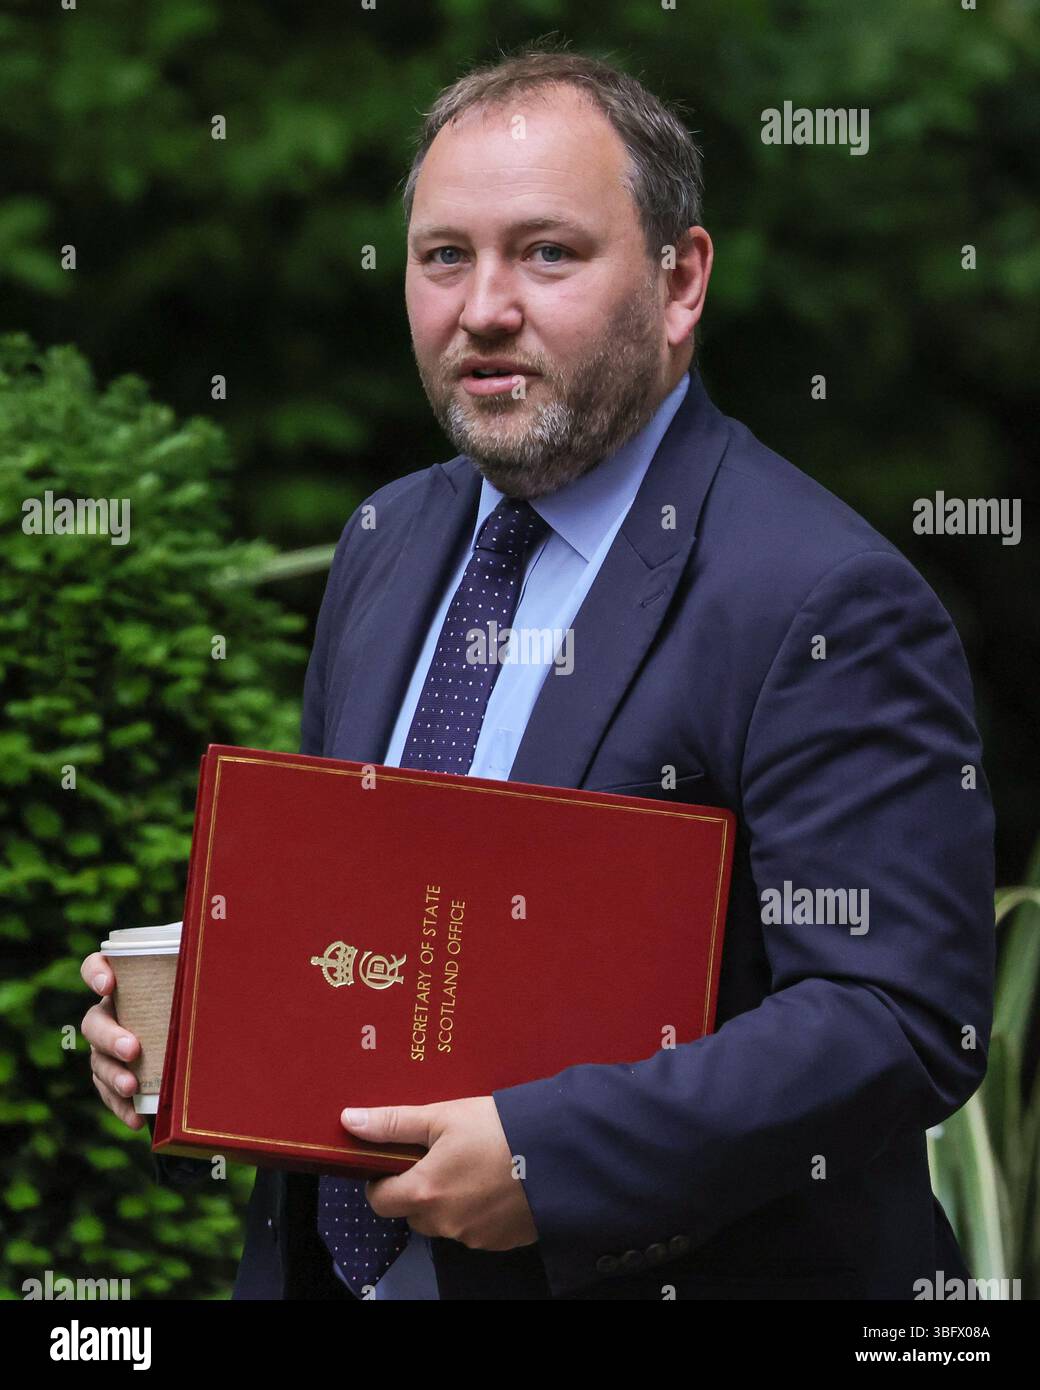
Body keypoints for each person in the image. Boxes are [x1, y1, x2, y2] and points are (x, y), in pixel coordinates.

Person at [81, 44, 995, 1301]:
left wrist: (548, 1159)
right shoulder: (384, 540)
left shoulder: (820, 597)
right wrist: (210, 1009)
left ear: (681, 282)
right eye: (443, 256)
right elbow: (389, 919)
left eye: (547, 253)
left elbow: (895, 1016)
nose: (483, 307)